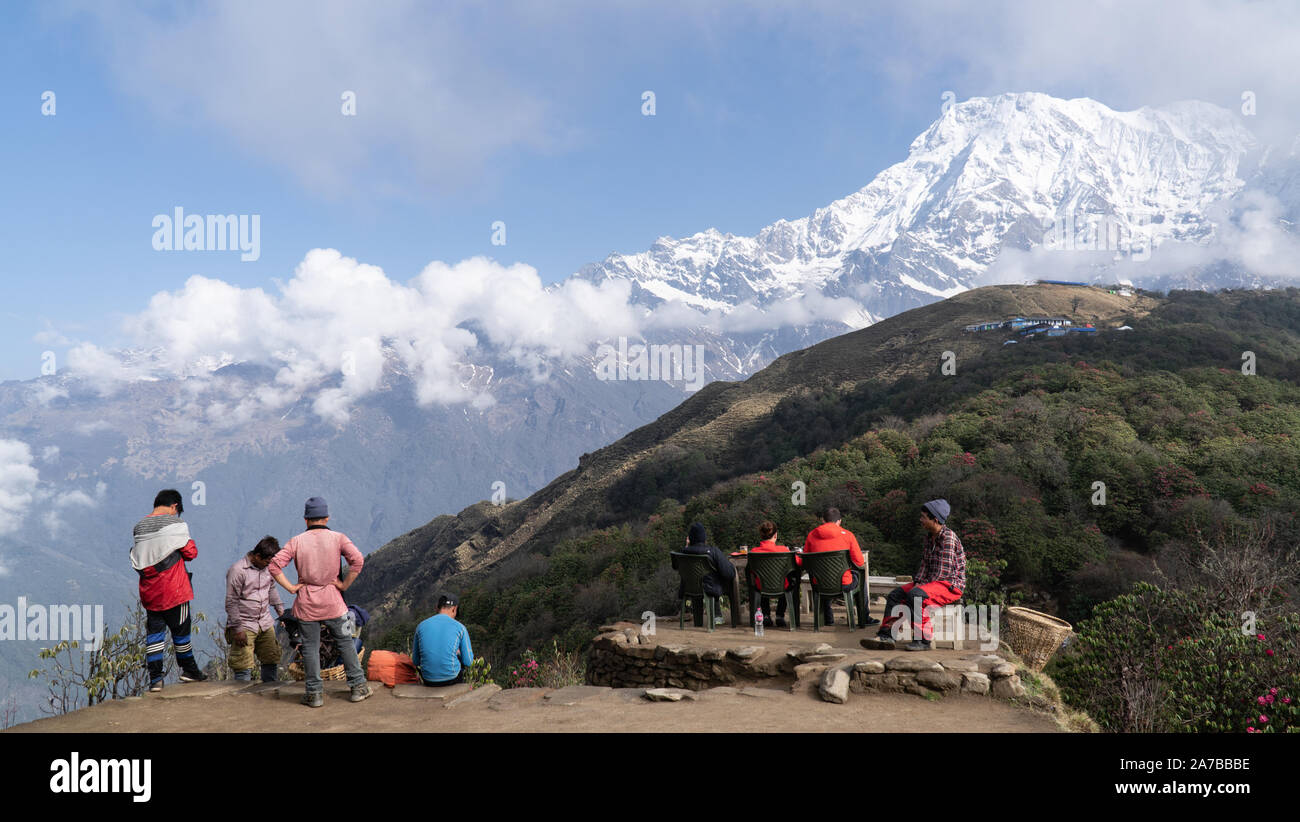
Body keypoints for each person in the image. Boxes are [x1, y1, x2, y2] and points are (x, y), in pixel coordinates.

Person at [269, 497, 371, 707]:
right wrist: (344, 585)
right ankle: (358, 687)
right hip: (334, 603)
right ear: (327, 518)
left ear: (306, 520)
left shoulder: (296, 541)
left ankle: (314, 694)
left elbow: (274, 565)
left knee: (310, 647)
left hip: (307, 604)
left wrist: (290, 587)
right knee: (345, 642)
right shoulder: (338, 538)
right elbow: (358, 560)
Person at [131, 488, 207, 691]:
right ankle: (189, 670)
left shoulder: (139, 527)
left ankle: (155, 679)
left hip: (149, 591)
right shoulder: (176, 524)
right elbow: (191, 553)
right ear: (174, 506)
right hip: (174, 589)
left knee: (154, 635)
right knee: (181, 632)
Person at [868, 499, 965, 652]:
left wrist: (920, 586)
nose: (920, 520)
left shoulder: (948, 538)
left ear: (935, 519)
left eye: (923, 517)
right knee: (895, 595)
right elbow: (924, 564)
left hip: (949, 585)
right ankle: (887, 635)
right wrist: (918, 581)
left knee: (915, 595)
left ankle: (923, 639)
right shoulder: (929, 537)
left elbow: (942, 573)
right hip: (931, 582)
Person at [224, 536, 286, 683]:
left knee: (271, 659)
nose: (268, 565)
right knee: (243, 665)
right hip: (245, 624)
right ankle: (243, 700)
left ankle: (270, 695)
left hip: (265, 621)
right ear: (257, 556)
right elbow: (231, 602)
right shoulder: (238, 570)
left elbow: (271, 589)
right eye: (266, 561)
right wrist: (238, 629)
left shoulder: (267, 569)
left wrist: (281, 612)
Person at [803, 507, 874, 627]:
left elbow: (805, 560)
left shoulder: (811, 535)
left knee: (823, 575)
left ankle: (828, 619)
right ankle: (864, 617)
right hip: (844, 584)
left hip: (820, 584)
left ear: (822, 520)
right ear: (839, 521)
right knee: (860, 578)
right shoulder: (848, 535)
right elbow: (860, 562)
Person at [411, 593, 474, 687]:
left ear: (437, 608)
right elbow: (468, 661)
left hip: (428, 679)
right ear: (454, 609)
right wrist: (458, 653)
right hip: (451, 679)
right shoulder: (460, 628)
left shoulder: (421, 626)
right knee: (460, 660)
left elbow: (416, 661)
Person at [681, 523, 736, 626]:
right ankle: (718, 617)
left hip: (690, 587)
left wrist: (687, 547)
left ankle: (699, 621)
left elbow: (676, 567)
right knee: (714, 578)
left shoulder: (683, 553)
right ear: (704, 538)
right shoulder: (712, 551)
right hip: (711, 588)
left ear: (690, 538)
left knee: (703, 580)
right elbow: (729, 573)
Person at [748, 521, 801, 628]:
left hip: (761, 586)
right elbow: (798, 563)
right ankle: (780, 616)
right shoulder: (784, 551)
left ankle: (766, 615)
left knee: (761, 580)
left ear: (761, 535)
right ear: (776, 535)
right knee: (788, 581)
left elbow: (750, 570)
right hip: (782, 585)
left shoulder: (754, 552)